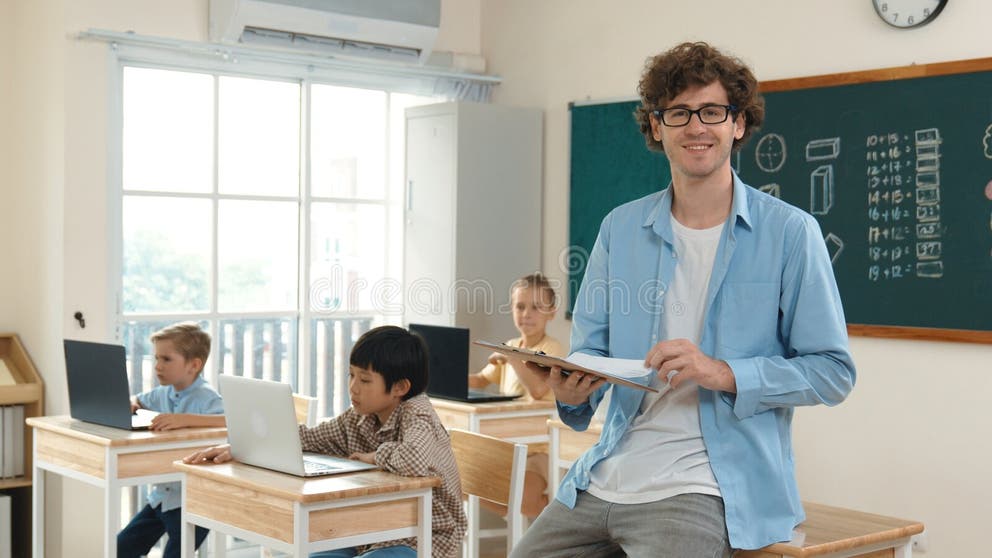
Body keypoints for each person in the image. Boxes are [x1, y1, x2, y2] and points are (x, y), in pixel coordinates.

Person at [510, 41, 856, 557]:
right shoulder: (619, 229)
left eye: (713, 111)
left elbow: (832, 372)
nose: (697, 126)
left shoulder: (790, 233)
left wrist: (724, 372)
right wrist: (572, 393)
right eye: (678, 113)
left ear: (738, 124)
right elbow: (590, 358)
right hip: (604, 473)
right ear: (656, 126)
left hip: (706, 487)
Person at [184, 325, 467, 558]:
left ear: (400, 388)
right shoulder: (357, 419)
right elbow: (310, 438)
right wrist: (242, 447)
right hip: (369, 531)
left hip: (425, 538)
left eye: (365, 380)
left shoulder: (418, 413)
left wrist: (374, 456)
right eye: (351, 375)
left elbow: (413, 460)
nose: (353, 387)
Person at [118, 322, 225, 558]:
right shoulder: (163, 393)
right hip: (162, 497)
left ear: (194, 365)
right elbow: (139, 401)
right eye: (156, 358)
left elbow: (230, 421)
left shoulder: (206, 398)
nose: (157, 367)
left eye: (166, 359)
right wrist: (132, 405)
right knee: (120, 548)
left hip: (194, 501)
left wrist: (185, 419)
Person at [469, 272, 563, 518]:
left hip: (540, 449)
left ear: (551, 312)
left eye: (536, 307)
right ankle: (524, 512)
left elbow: (539, 389)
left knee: (525, 500)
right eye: (520, 307)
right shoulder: (511, 345)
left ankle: (551, 513)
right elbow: (480, 380)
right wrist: (445, 375)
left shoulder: (551, 349)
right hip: (508, 448)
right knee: (463, 481)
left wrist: (512, 357)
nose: (527, 314)